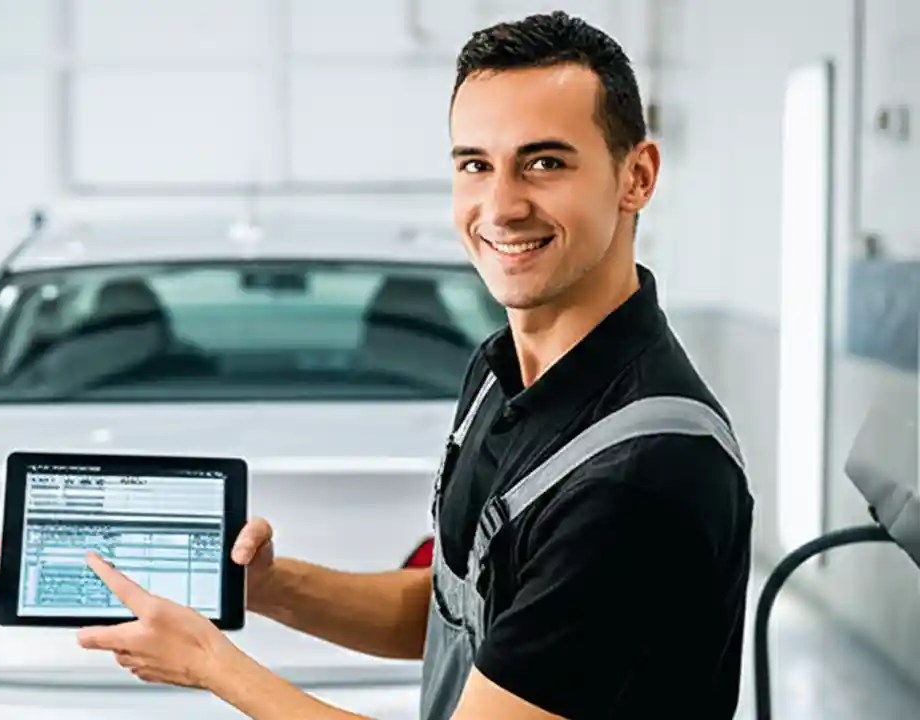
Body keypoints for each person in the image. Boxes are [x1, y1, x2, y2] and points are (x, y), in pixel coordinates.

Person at [76, 11, 754, 719]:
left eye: (545, 162)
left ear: (636, 176)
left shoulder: (643, 473)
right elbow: (461, 611)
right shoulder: (503, 376)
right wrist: (272, 589)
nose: (501, 205)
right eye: (475, 165)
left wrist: (210, 663)